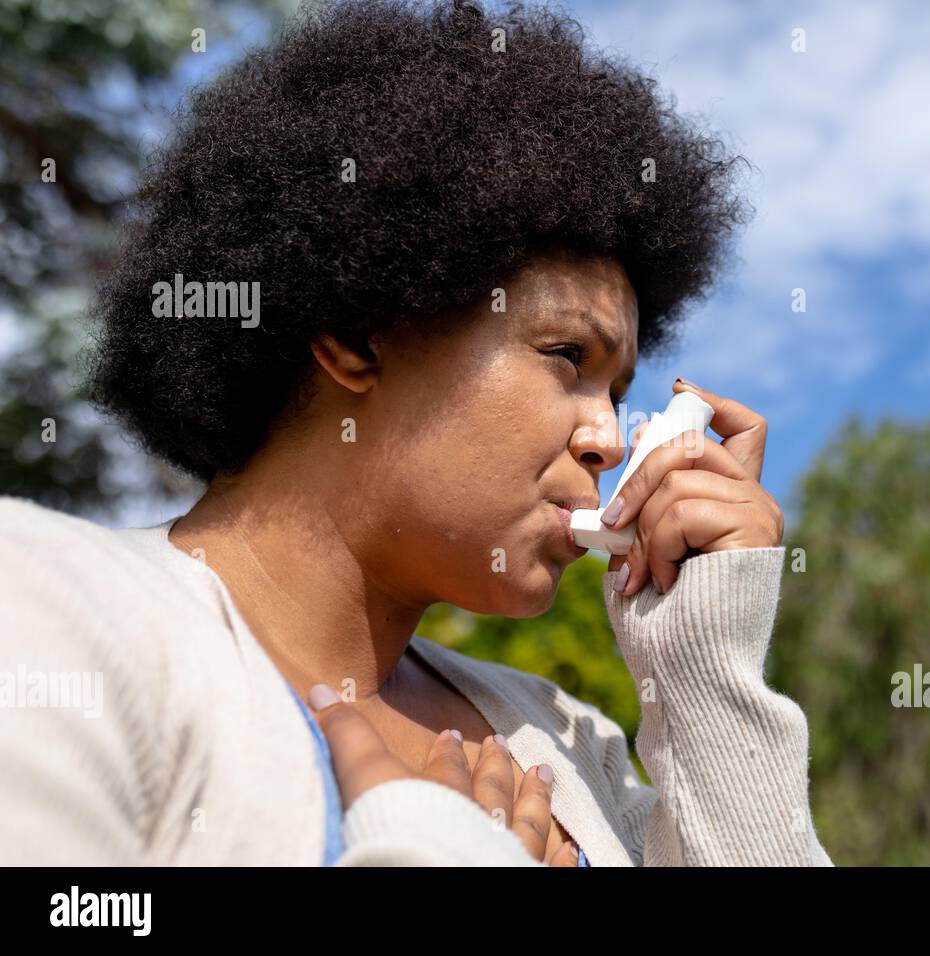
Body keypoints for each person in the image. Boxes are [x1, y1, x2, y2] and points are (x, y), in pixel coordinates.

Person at [0, 0, 833, 866]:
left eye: (618, 391)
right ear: (359, 333)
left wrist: (706, 675)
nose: (610, 439)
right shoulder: (48, 612)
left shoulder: (564, 739)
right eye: (565, 355)